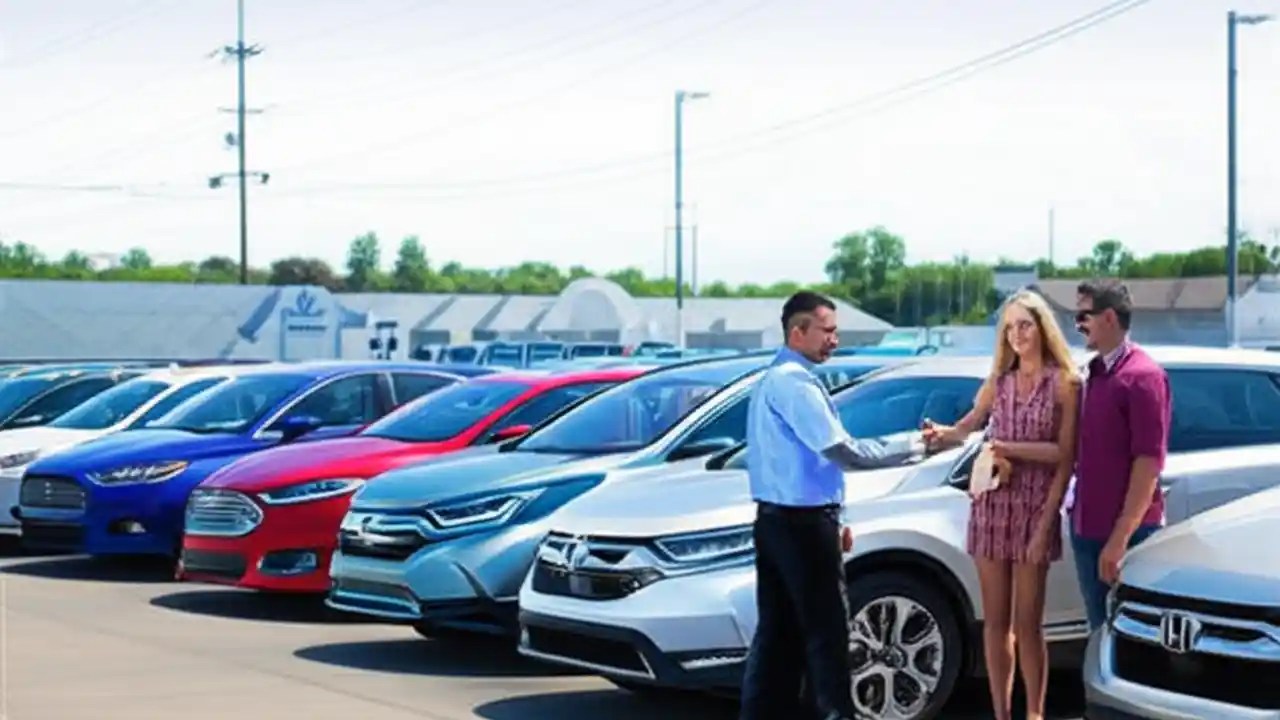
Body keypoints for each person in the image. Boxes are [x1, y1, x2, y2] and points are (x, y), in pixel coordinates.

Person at [740, 290, 926, 720]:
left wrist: (837, 515)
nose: (834, 339)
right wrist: (917, 444)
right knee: (827, 634)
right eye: (827, 331)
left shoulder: (773, 379)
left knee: (778, 633)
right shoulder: (795, 384)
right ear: (797, 331)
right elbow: (844, 452)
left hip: (776, 520)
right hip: (802, 525)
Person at [922, 290, 1080, 720]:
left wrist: (1046, 521)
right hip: (991, 507)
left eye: (1024, 325)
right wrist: (942, 434)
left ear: (1042, 328)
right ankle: (1001, 713)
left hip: (1035, 509)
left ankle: (1036, 713)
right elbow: (967, 428)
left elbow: (1064, 458)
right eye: (1009, 327)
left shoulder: (1065, 383)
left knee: (1029, 624)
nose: (1016, 335)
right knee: (995, 624)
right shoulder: (999, 381)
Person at [1070, 279, 1169, 630]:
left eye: (1084, 316)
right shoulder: (1093, 372)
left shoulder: (1143, 377)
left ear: (1109, 317)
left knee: (1134, 638)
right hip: (1086, 527)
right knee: (1099, 633)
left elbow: (1148, 463)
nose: (1078, 325)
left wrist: (1119, 540)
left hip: (1128, 535)